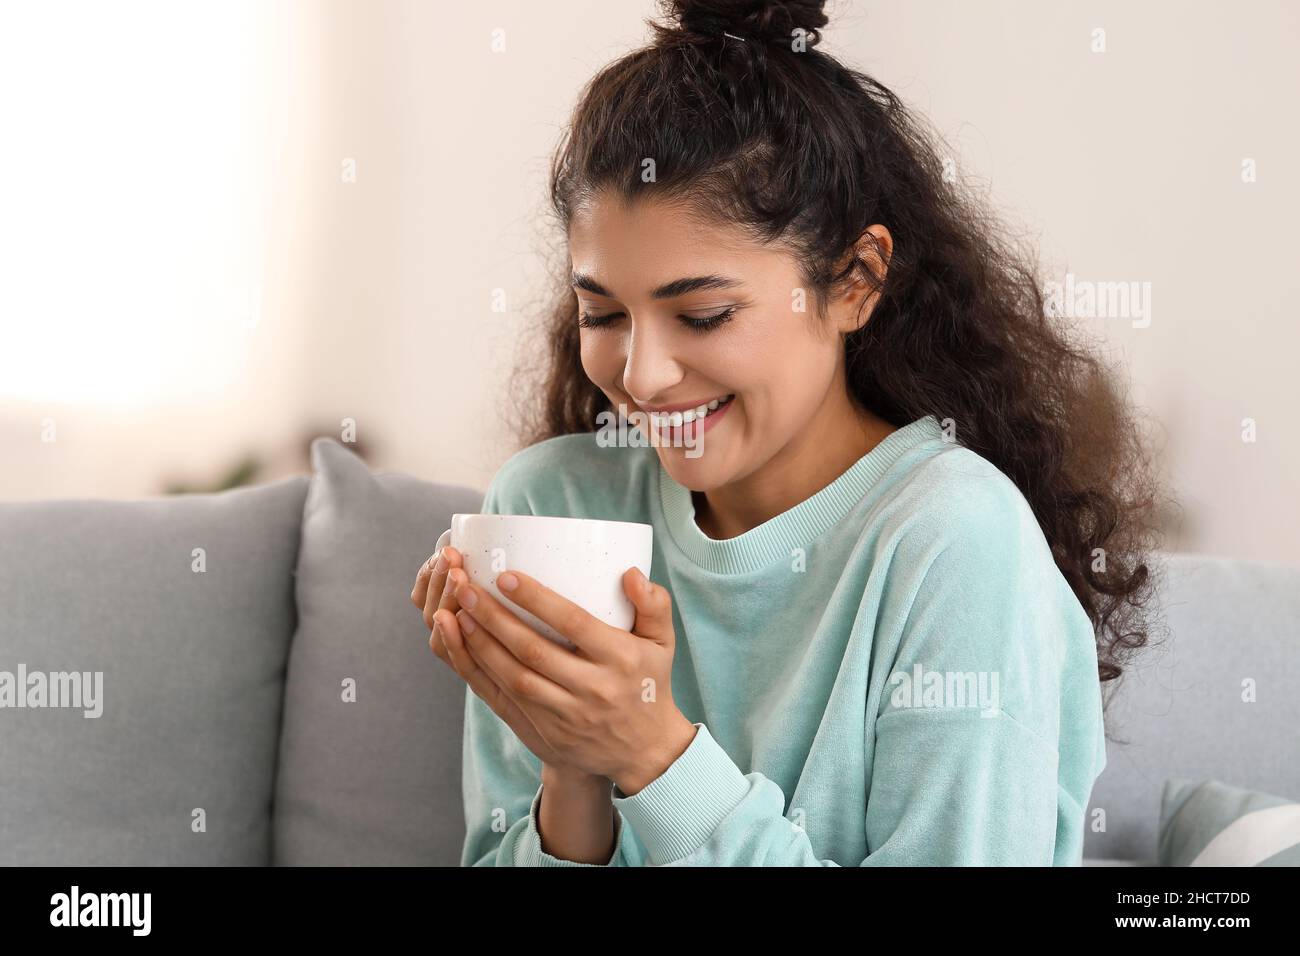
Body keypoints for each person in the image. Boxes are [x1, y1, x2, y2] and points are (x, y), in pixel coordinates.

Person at [410, 0, 1163, 866]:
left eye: (703, 314)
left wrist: (653, 755)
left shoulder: (955, 546)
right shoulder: (550, 505)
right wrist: (573, 765)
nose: (643, 377)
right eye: (603, 313)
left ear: (855, 281)